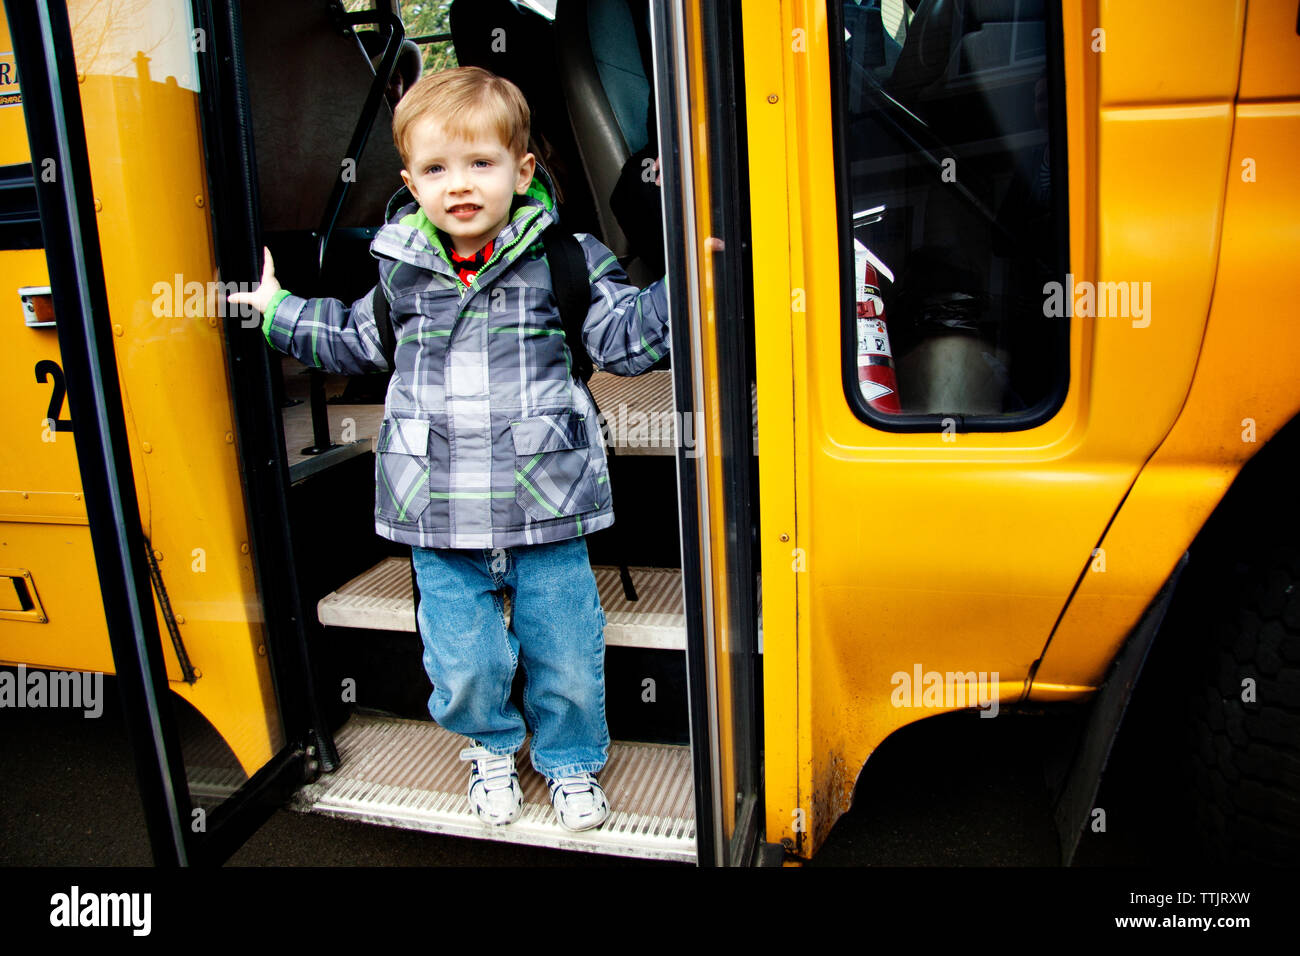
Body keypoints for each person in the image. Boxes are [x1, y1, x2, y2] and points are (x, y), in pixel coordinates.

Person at [230, 66, 670, 832]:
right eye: (436, 168)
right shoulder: (399, 272)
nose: (458, 185)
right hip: (435, 513)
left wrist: (695, 283)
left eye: (480, 163)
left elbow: (627, 342)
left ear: (522, 170)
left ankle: (569, 763)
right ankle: (490, 749)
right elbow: (352, 338)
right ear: (410, 181)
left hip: (546, 508)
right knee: (464, 663)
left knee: (566, 654)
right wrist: (275, 311)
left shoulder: (567, 259)